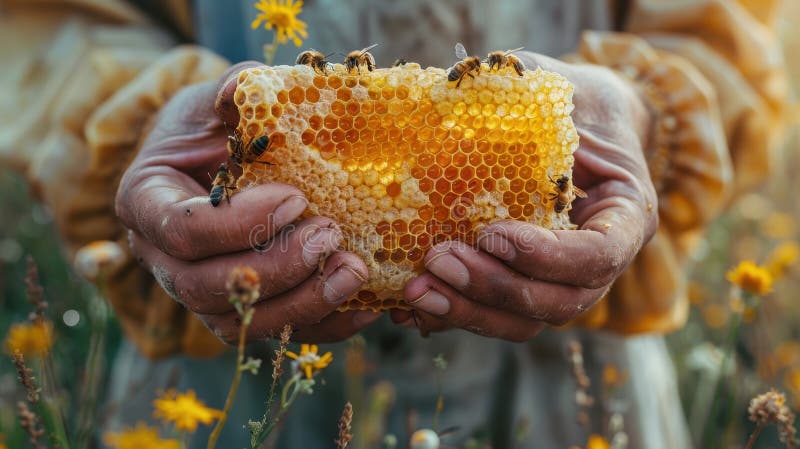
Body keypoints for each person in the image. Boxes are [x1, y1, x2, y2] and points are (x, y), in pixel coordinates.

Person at [0, 1, 793, 447]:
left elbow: (735, 32)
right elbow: (46, 28)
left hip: (569, 382)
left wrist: (643, 116)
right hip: (225, 375)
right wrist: (146, 130)